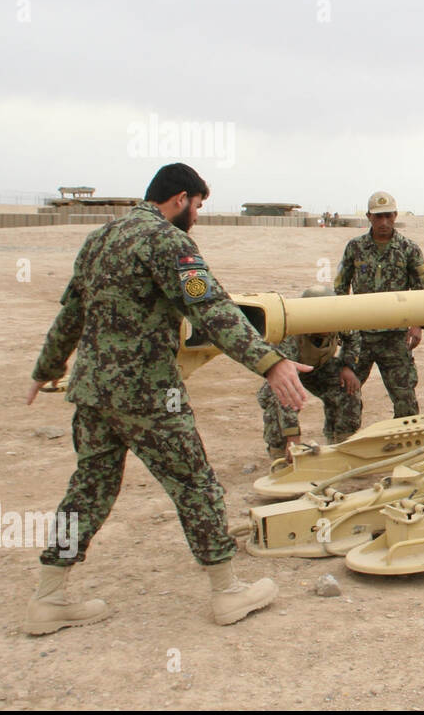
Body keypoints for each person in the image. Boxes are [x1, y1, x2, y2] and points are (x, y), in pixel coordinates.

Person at [25, 163, 309, 634]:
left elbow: (71, 315)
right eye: (197, 206)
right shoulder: (168, 242)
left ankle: (48, 598)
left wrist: (47, 369)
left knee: (88, 490)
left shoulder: (100, 239)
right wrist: (269, 361)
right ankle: (227, 593)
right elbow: (210, 307)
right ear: (180, 199)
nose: (196, 216)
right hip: (149, 396)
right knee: (196, 487)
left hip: (94, 394)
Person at [335, 191, 424, 417]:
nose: (384, 222)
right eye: (378, 217)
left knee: (405, 397)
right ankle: (342, 438)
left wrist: (417, 325)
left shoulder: (409, 249)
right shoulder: (355, 248)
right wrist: (342, 327)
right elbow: (340, 287)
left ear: (396, 215)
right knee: (344, 393)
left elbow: (422, 289)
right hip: (360, 337)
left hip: (395, 337)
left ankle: (407, 442)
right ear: (369, 217)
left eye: (388, 216)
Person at [257, 284, 362, 460]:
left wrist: (347, 366)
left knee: (347, 387)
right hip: (288, 371)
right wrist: (293, 438)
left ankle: (342, 440)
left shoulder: (339, 320)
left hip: (318, 368)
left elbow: (354, 337)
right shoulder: (291, 334)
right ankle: (279, 451)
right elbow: (286, 385)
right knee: (278, 398)